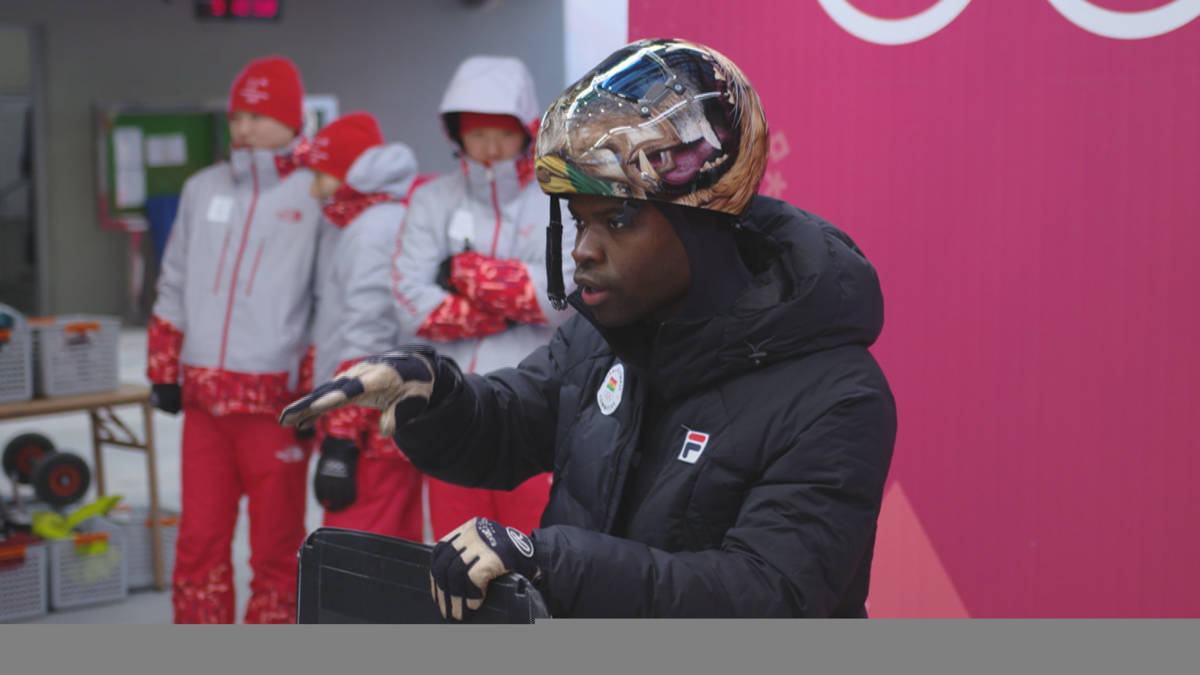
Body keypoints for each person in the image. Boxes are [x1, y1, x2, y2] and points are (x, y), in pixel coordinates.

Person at [282, 39, 896, 619]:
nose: (583, 250)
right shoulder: (603, 339)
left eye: (618, 220)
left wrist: (554, 563)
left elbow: (768, 596)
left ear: (701, 223)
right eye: (579, 222)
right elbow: (510, 422)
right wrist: (436, 396)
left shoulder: (837, 395)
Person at [148, 55, 321, 623]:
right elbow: (173, 280)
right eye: (237, 116)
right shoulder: (202, 189)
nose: (243, 128)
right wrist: (163, 367)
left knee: (277, 546)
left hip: (276, 402)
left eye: (257, 116)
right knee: (198, 540)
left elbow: (327, 300)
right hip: (204, 401)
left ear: (291, 120)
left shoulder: (314, 194)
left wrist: (317, 390)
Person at [389, 55, 575, 540]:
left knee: (536, 550)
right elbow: (410, 306)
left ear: (527, 131)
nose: (490, 147)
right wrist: (512, 303)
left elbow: (561, 298)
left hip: (537, 409)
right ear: (456, 134)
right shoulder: (431, 199)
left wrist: (462, 271)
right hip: (450, 406)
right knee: (457, 551)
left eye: (503, 133)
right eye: (476, 133)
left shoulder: (559, 199)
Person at [304, 111, 426, 540]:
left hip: (371, 427)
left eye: (320, 175)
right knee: (395, 544)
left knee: (355, 550)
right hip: (383, 418)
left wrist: (343, 435)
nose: (313, 188)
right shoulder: (362, 222)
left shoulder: (372, 228)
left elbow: (367, 334)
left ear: (347, 174)